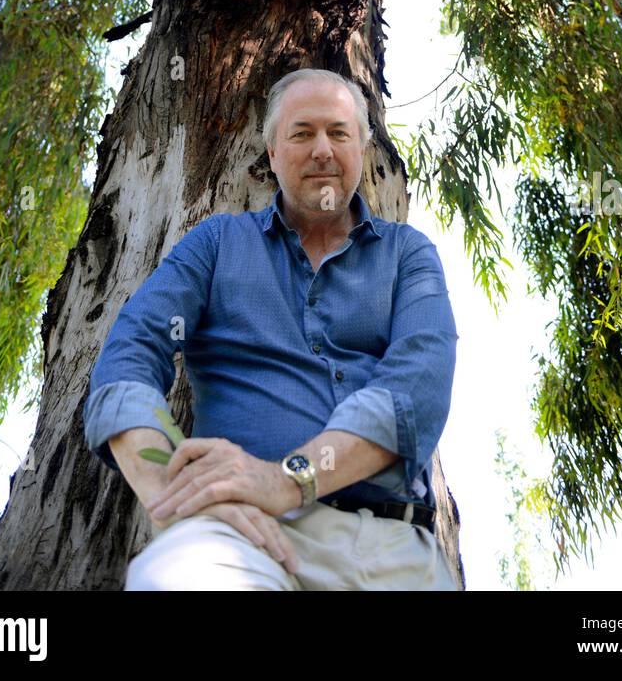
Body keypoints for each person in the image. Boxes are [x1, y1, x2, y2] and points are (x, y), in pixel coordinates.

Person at [83, 67, 460, 590]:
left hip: (395, 552)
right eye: (302, 133)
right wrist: (173, 495)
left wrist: (287, 478)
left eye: (339, 132)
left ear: (363, 148)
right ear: (273, 153)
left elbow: (415, 393)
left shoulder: (409, 255)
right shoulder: (216, 245)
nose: (322, 149)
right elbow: (129, 353)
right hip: (239, 540)